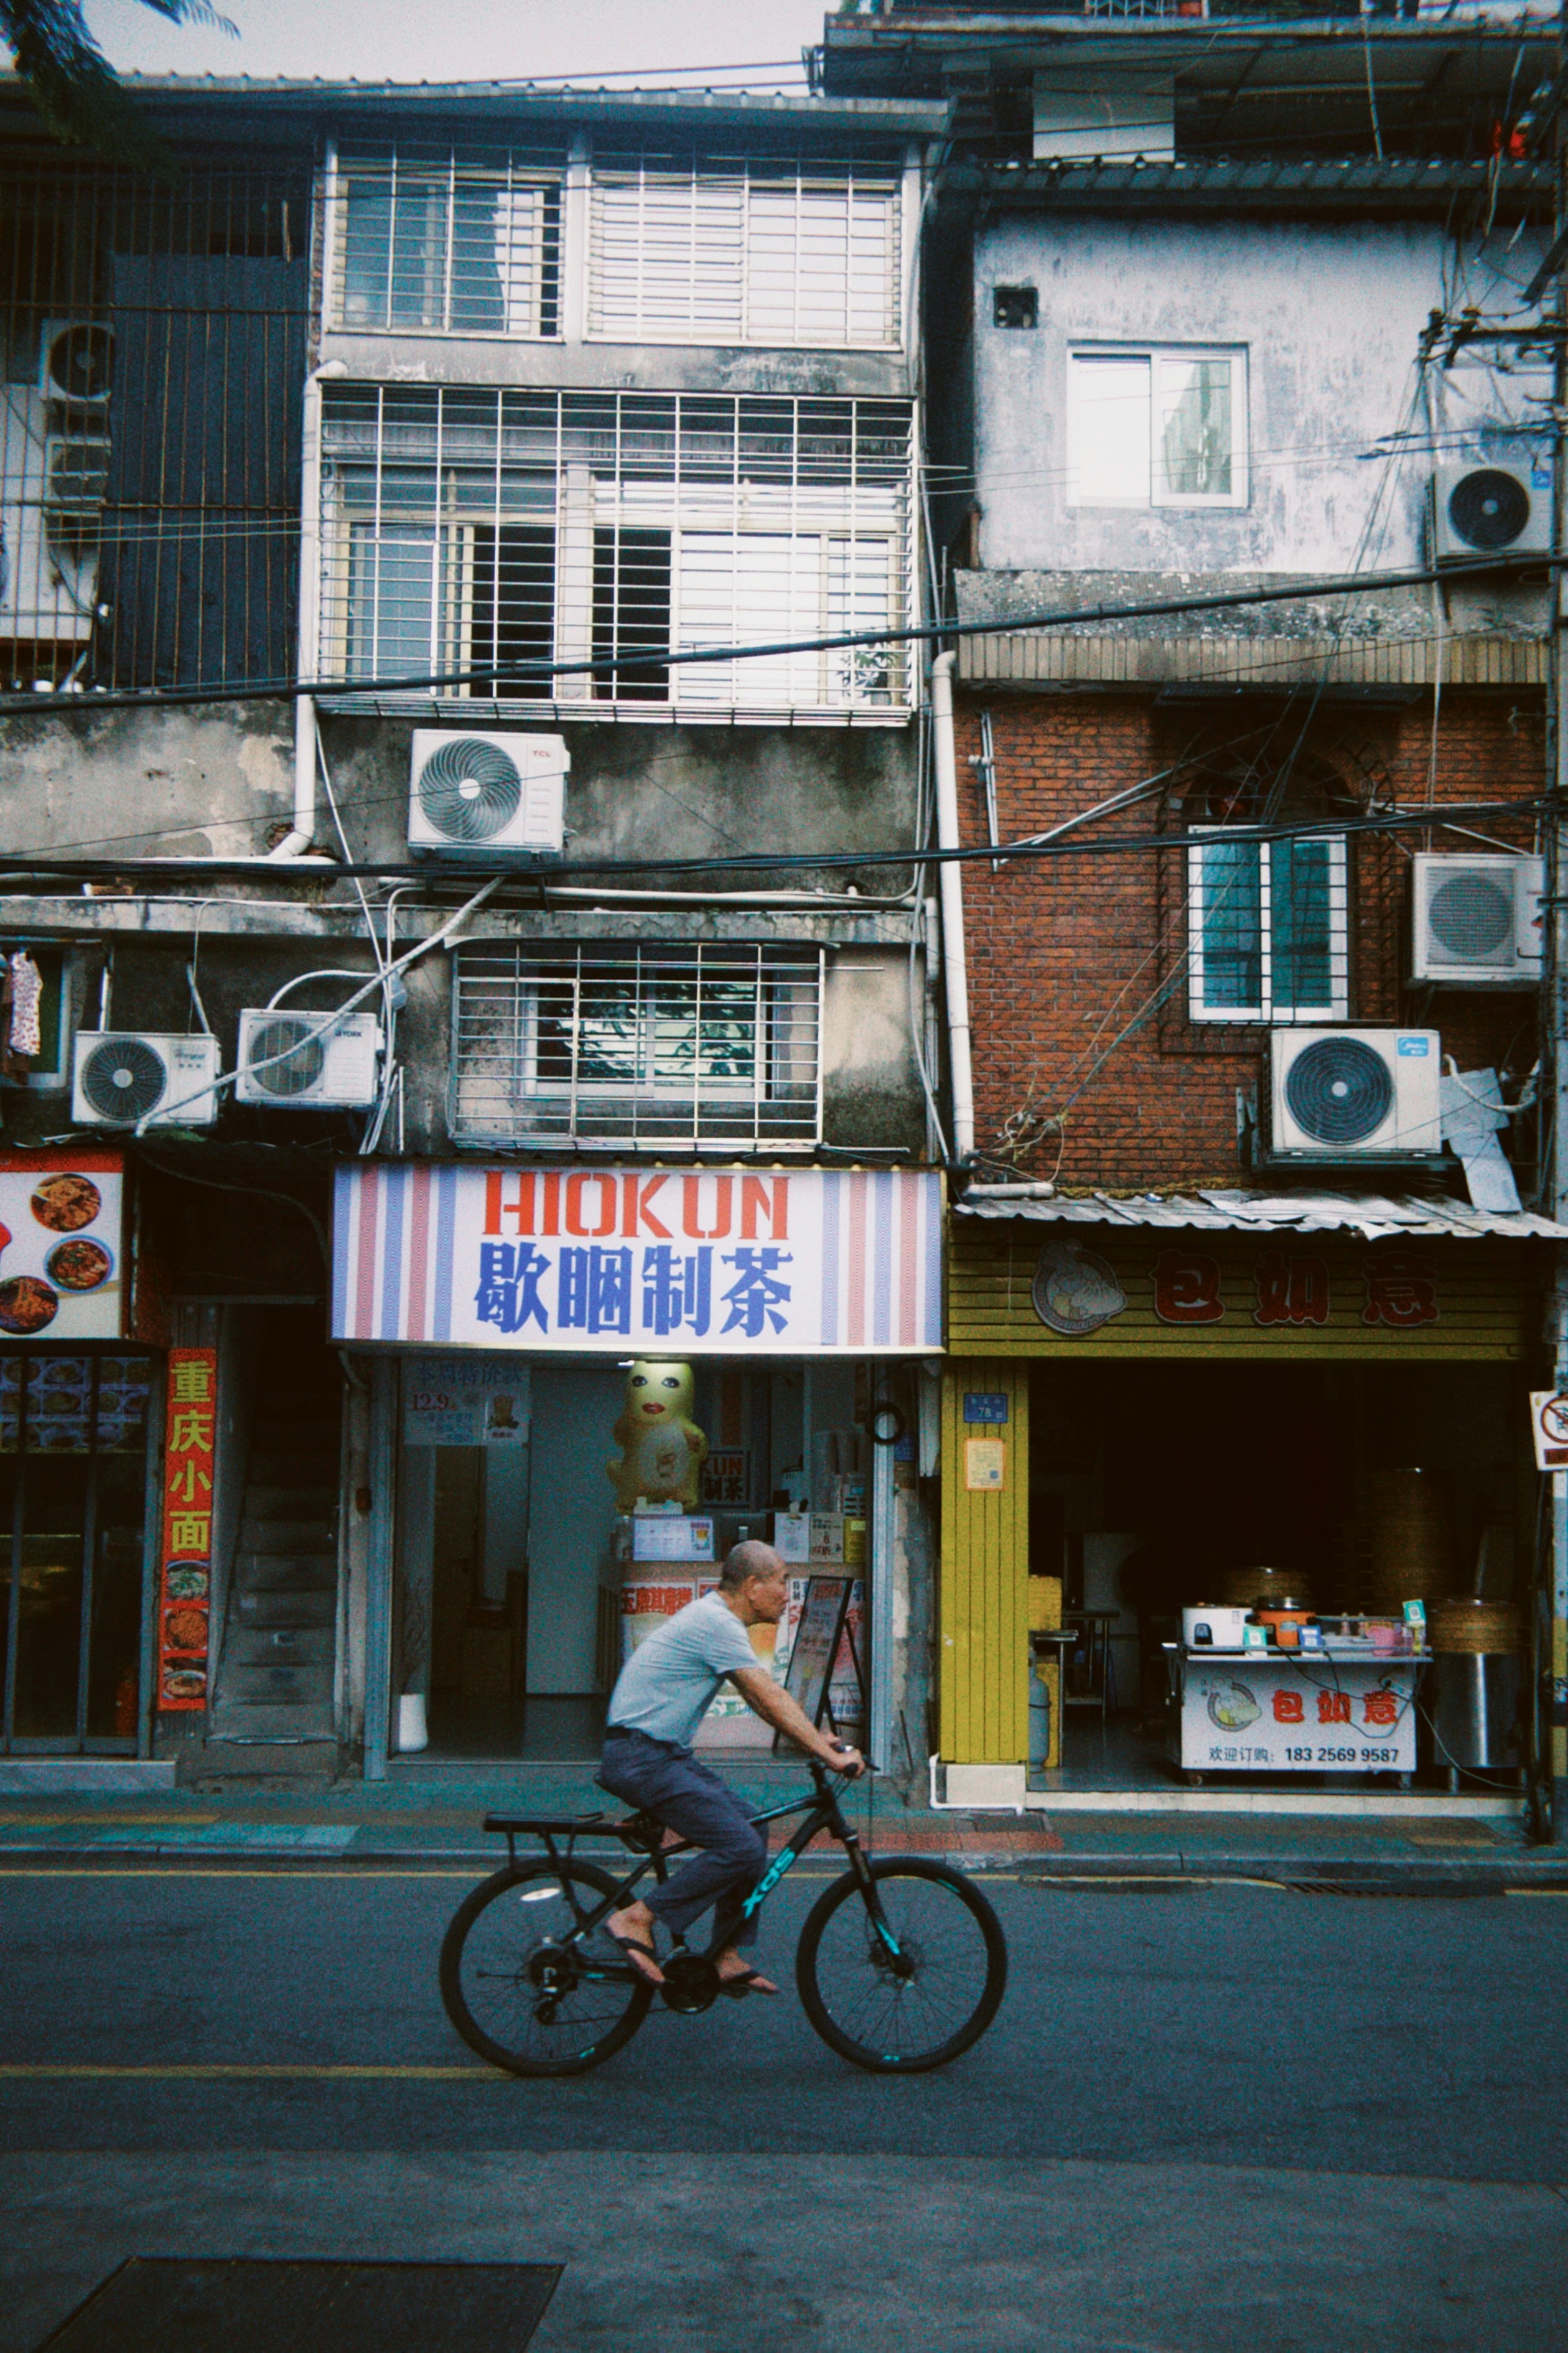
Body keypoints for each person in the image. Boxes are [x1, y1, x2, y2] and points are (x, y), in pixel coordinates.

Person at [600, 1538, 863, 1997]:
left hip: (658, 1754)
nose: (787, 1592)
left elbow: (764, 1698)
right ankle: (637, 1916)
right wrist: (830, 1756)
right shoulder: (716, 1622)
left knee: (752, 1828)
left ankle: (725, 1953)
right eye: (782, 1582)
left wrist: (814, 1735)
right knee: (741, 1844)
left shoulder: (715, 1619)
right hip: (643, 1757)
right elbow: (766, 1697)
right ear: (753, 1585)